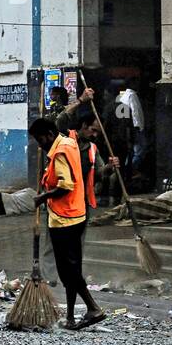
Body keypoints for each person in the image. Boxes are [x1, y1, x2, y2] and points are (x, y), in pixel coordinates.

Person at [29, 116, 104, 331]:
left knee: (68, 271)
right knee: (72, 268)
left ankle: (93, 308)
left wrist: (42, 198)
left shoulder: (60, 152)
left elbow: (66, 185)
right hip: (77, 215)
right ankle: (71, 317)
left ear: (50, 135)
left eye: (40, 140)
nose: (40, 145)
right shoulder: (69, 143)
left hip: (64, 219)